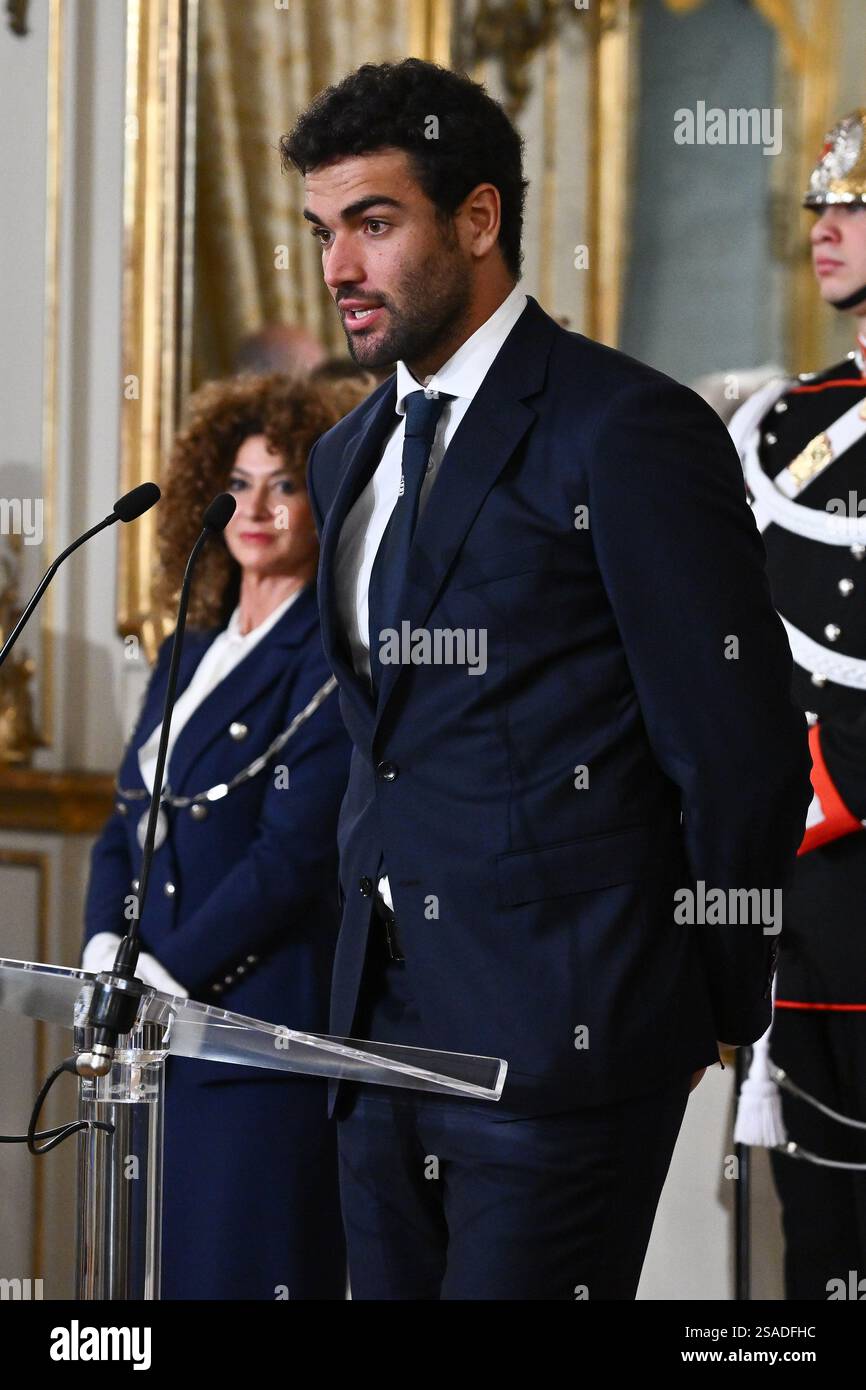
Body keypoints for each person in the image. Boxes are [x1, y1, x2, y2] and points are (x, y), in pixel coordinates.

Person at [279, 57, 812, 1301]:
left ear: (477, 219)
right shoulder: (346, 453)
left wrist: (710, 1004)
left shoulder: (622, 427)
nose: (338, 270)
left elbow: (735, 749)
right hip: (374, 1043)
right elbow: (388, 749)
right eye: (321, 233)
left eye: (372, 223)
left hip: (562, 1040)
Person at [81, 373, 368, 1299]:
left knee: (239, 1273)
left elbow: (291, 859)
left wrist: (164, 972)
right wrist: (101, 948)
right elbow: (125, 821)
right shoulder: (189, 652)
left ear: (325, 499)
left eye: (285, 484)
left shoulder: (328, 656)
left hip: (250, 1038)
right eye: (239, 484)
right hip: (155, 1037)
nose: (258, 507)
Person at [730, 108, 866, 1301]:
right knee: (818, 1240)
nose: (819, 227)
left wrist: (840, 776)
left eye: (851, 204)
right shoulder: (779, 420)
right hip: (803, 897)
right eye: (818, 203)